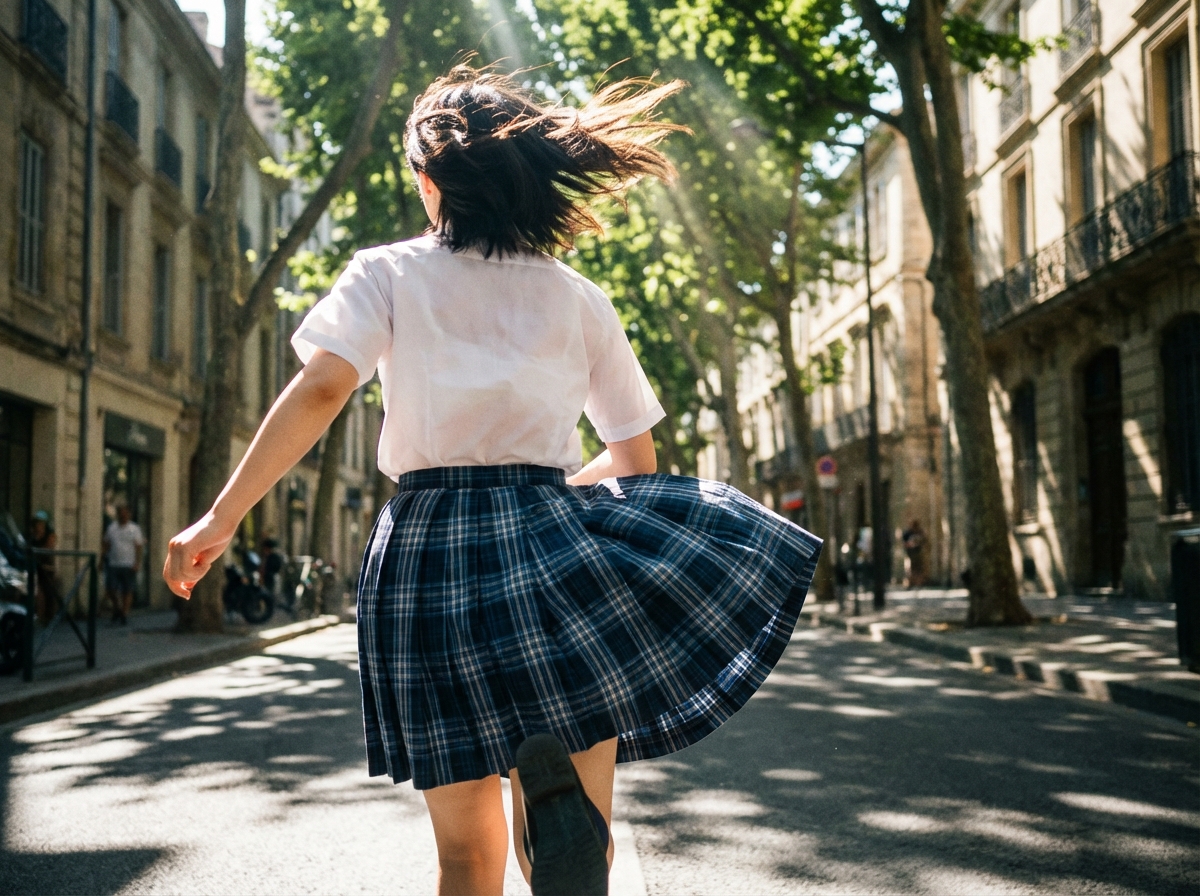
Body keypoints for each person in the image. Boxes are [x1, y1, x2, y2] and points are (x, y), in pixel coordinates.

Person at [164, 65, 821, 896]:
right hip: (554, 549)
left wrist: (220, 518)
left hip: (428, 550)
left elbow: (325, 388)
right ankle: (560, 824)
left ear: (432, 180)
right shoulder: (579, 297)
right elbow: (634, 462)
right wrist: (551, 499)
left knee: (465, 857)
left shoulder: (387, 272)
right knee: (584, 830)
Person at [103, 504, 144, 624]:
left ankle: (124, 614)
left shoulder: (134, 529)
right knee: (110, 589)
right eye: (121, 513)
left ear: (129, 515)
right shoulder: (112, 528)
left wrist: (137, 562)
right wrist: (102, 560)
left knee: (127, 590)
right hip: (113, 563)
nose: (123, 515)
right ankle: (117, 608)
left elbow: (138, 547)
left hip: (128, 563)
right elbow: (106, 544)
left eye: (125, 513)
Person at [29, 510, 60, 624]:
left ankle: (47, 618)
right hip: (36, 567)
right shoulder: (34, 535)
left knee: (48, 593)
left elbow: (48, 548)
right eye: (37, 523)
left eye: (41, 523)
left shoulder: (49, 535)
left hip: (47, 568)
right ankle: (39, 616)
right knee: (39, 592)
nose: (39, 526)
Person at [903, 519, 927, 588]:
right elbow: (904, 543)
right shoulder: (907, 533)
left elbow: (924, 541)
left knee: (919, 568)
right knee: (909, 569)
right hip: (910, 553)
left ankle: (919, 583)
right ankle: (909, 583)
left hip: (918, 553)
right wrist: (910, 544)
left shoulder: (920, 532)